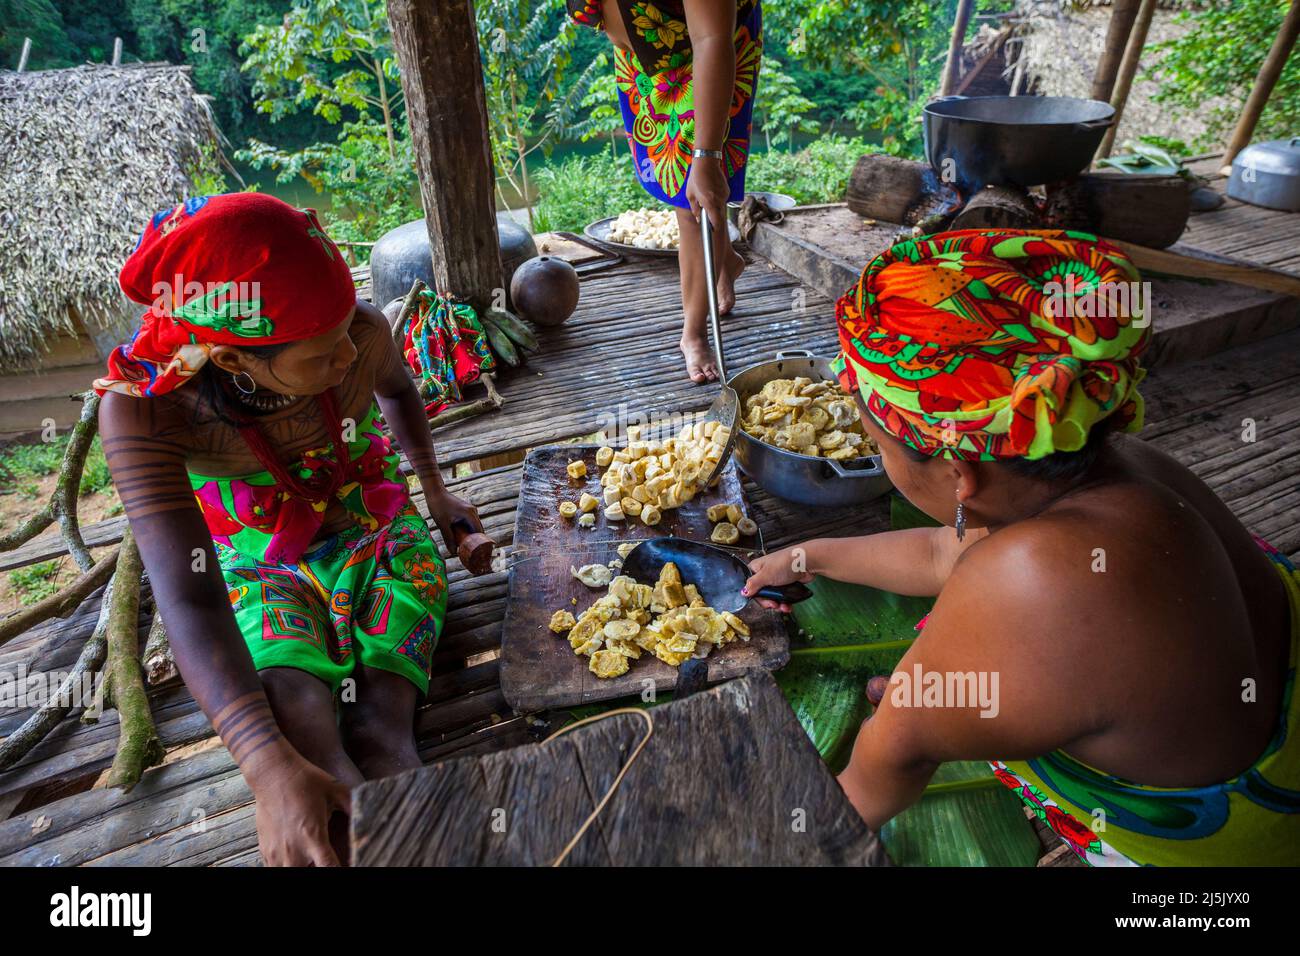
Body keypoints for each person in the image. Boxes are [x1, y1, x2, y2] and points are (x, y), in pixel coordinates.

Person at [744, 229, 1300, 865]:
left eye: (880, 446)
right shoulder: (1123, 470)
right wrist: (807, 556)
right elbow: (941, 554)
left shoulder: (1035, 582)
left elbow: (882, 768)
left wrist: (908, 709)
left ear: (959, 475)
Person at [96, 194, 485, 865]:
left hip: (375, 526)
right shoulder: (145, 416)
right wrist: (268, 771)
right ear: (232, 358)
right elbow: (190, 597)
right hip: (254, 561)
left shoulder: (359, 334)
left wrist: (437, 491)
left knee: (380, 728)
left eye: (344, 333)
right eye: (320, 353)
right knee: (305, 735)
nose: (347, 352)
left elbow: (397, 391)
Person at [567, 0, 762, 383]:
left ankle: (692, 333)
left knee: (698, 197)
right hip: (646, 59)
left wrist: (706, 155)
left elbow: (711, 38)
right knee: (677, 182)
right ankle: (723, 260)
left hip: (708, 50)